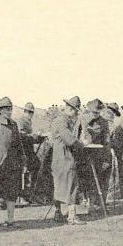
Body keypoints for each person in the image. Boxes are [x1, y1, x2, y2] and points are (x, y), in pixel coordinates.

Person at [0, 97, 27, 227]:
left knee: (11, 192)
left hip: (12, 165)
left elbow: (20, 146)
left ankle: (10, 219)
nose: (9, 111)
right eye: (7, 109)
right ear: (0, 110)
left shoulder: (13, 125)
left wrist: (23, 163)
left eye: (11, 109)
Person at [50, 96, 85, 224]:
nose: (75, 115)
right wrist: (81, 144)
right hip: (65, 157)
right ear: (70, 109)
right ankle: (72, 216)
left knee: (59, 186)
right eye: (75, 112)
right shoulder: (62, 121)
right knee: (72, 184)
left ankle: (58, 213)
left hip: (59, 157)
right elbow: (69, 139)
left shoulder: (61, 120)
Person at [77, 99, 113, 215]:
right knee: (83, 179)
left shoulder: (103, 122)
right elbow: (74, 135)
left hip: (97, 155)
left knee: (95, 180)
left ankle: (92, 206)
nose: (95, 114)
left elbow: (107, 141)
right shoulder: (82, 119)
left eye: (97, 113)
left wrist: (107, 159)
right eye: (93, 112)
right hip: (82, 155)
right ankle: (83, 202)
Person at [18, 102, 43, 205]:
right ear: (24, 111)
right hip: (22, 151)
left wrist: (38, 138)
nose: (29, 114)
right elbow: (21, 135)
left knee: (36, 166)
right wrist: (33, 136)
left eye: (31, 112)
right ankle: (22, 196)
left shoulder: (29, 122)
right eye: (27, 112)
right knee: (24, 171)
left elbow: (30, 139)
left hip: (29, 150)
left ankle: (31, 193)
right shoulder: (21, 121)